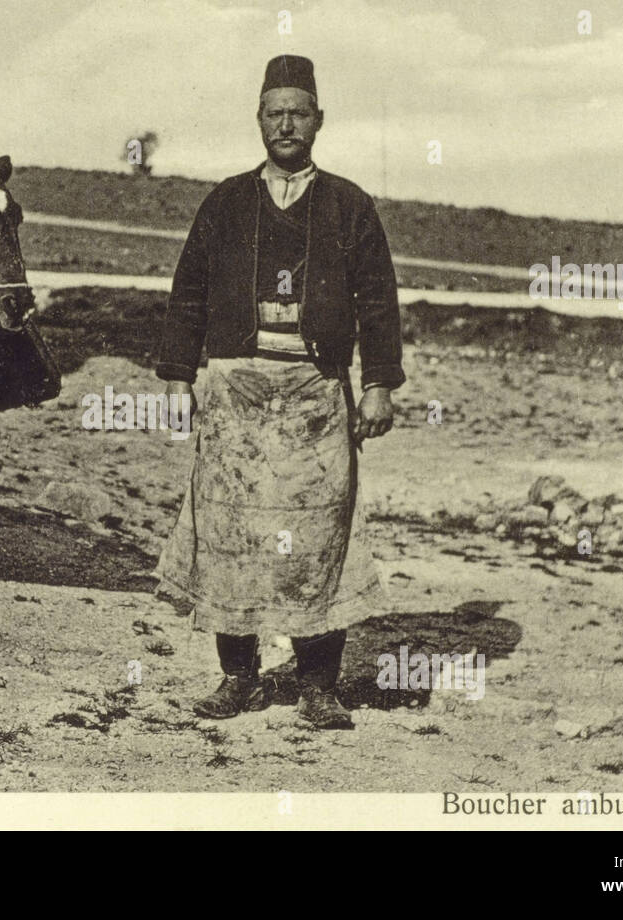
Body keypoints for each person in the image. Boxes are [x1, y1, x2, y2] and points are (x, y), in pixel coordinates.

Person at [154, 55, 405, 729]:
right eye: (274, 112)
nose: (286, 123)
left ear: (318, 119)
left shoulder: (350, 205)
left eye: (298, 111)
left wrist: (378, 383)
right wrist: (179, 376)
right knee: (229, 533)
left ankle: (319, 684)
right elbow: (188, 294)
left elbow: (378, 302)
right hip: (236, 390)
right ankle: (238, 677)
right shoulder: (226, 202)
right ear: (259, 120)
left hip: (316, 392)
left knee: (318, 536)